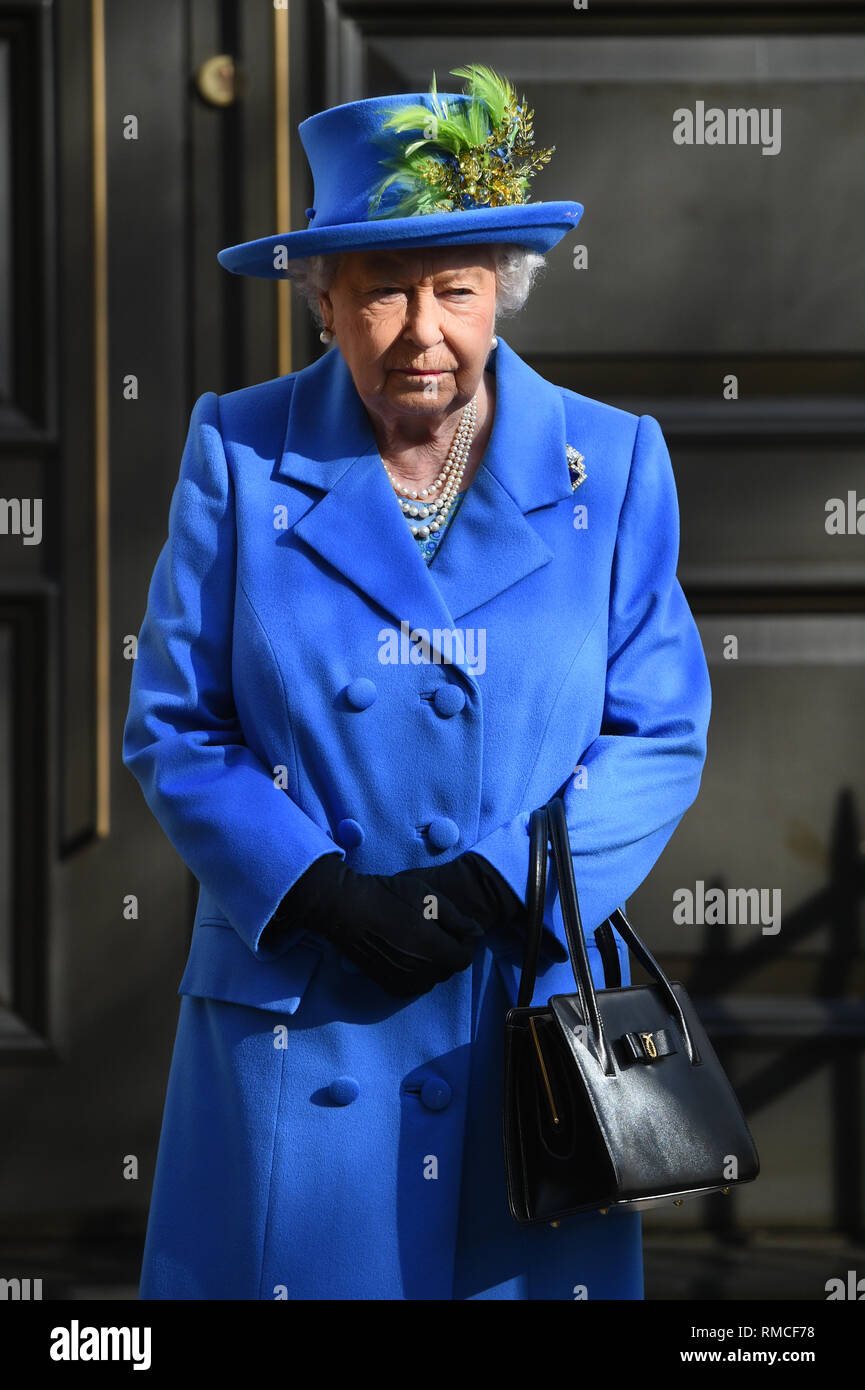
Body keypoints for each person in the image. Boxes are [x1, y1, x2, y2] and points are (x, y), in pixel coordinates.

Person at [122, 64, 711, 1300]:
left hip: (522, 1011)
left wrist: (495, 884)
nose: (420, 330)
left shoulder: (611, 460)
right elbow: (175, 724)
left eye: (456, 288)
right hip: (304, 1007)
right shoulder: (237, 449)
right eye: (380, 291)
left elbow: (657, 730)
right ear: (321, 302)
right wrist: (324, 891)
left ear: (504, 294)